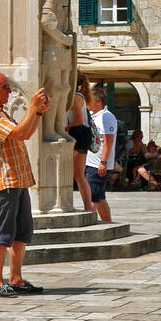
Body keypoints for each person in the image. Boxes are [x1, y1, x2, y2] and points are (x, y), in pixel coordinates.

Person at [0, 72, 48, 297]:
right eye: (5, 87)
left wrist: (38, 112)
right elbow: (18, 133)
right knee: (4, 232)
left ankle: (15, 278)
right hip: (4, 179)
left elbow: (25, 133)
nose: (9, 92)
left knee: (21, 232)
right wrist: (31, 107)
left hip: (17, 178)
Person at [65, 73, 94, 211]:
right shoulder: (81, 97)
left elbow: (78, 120)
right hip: (84, 137)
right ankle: (89, 207)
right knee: (79, 175)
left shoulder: (75, 97)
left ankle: (64, 203)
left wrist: (66, 127)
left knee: (64, 169)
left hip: (77, 135)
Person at [86, 86, 115, 223]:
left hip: (97, 163)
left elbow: (108, 142)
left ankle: (90, 225)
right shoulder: (95, 116)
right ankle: (108, 224)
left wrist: (103, 162)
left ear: (98, 102)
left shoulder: (106, 116)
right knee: (98, 197)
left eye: (90, 100)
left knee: (92, 197)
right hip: (92, 162)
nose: (88, 102)